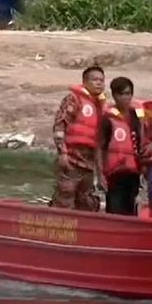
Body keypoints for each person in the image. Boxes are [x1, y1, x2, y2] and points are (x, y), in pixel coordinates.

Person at [51, 66, 106, 210]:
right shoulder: (73, 99)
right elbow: (59, 126)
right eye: (95, 80)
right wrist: (62, 153)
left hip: (88, 164)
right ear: (85, 81)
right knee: (65, 198)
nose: (99, 83)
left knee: (87, 201)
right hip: (71, 159)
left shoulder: (100, 106)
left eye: (102, 80)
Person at [96, 76, 143, 215]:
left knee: (131, 210)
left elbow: (140, 141)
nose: (125, 98)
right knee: (115, 209)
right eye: (121, 94)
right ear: (114, 95)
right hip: (114, 173)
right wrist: (100, 173)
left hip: (133, 173)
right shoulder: (108, 118)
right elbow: (100, 146)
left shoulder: (135, 116)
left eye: (128, 94)